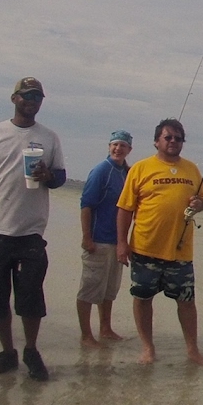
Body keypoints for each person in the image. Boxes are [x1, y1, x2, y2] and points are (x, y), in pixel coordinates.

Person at [0, 77, 66, 381]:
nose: (32, 101)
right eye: (27, 95)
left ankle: (31, 350)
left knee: (31, 298)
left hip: (30, 233)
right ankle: (8, 351)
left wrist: (48, 176)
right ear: (14, 98)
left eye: (37, 97)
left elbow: (60, 177)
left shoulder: (49, 137)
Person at [116, 118, 203, 366]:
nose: (173, 142)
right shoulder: (140, 168)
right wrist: (122, 243)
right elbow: (125, 209)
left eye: (178, 138)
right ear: (157, 141)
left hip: (181, 251)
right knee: (142, 299)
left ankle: (193, 351)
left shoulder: (192, 169)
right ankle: (148, 348)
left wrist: (199, 204)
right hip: (145, 248)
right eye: (168, 137)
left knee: (186, 302)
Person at [77, 129, 133, 347]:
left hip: (116, 242)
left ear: (129, 149)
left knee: (109, 290)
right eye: (115, 145)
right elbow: (86, 205)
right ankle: (86, 335)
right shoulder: (102, 170)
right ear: (109, 146)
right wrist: (86, 237)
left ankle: (105, 328)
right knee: (89, 289)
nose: (118, 149)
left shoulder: (126, 173)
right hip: (98, 240)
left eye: (123, 145)